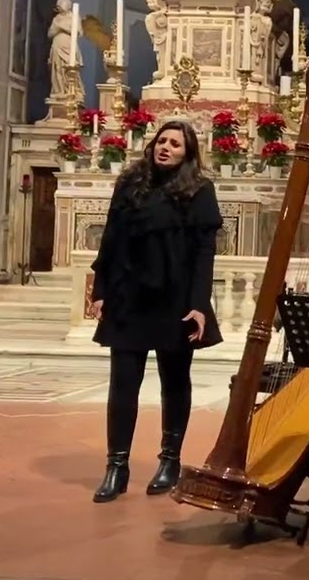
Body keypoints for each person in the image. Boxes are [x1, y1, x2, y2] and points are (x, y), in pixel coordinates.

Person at [89, 120, 224, 503]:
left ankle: (170, 461)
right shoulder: (131, 184)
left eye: (175, 144)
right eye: (161, 141)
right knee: (123, 384)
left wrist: (199, 306)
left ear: (188, 153)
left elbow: (204, 254)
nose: (165, 147)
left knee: (175, 381)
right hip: (129, 296)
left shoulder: (199, 190)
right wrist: (101, 290)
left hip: (175, 299)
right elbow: (111, 238)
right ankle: (116, 466)